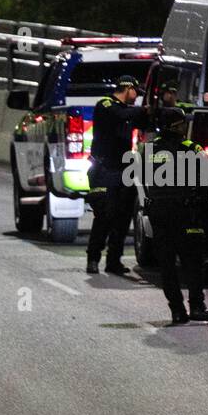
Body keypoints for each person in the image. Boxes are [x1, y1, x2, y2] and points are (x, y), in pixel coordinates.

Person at [144, 108, 208, 325]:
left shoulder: (148, 149)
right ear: (177, 126)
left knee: (167, 264)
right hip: (185, 212)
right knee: (193, 261)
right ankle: (197, 306)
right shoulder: (190, 148)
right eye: (182, 124)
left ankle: (177, 311)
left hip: (159, 212)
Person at [86, 74, 148, 275]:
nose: (136, 96)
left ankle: (113, 261)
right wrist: (143, 110)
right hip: (104, 170)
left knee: (122, 218)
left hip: (123, 171)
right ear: (127, 88)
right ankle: (93, 259)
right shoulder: (106, 104)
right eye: (135, 92)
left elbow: (139, 121)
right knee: (104, 215)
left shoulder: (127, 111)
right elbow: (120, 115)